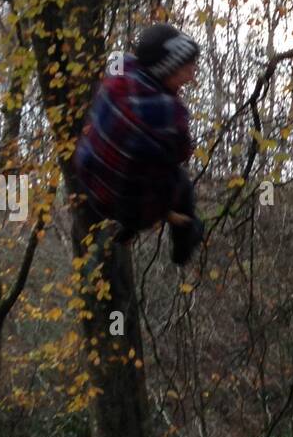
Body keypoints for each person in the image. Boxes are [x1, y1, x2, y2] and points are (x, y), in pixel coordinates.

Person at [73, 23, 205, 266]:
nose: (192, 74)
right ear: (167, 69)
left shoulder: (120, 70)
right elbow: (183, 152)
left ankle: (127, 224)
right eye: (186, 69)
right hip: (127, 203)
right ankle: (183, 245)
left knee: (134, 158)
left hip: (90, 180)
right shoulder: (170, 114)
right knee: (182, 184)